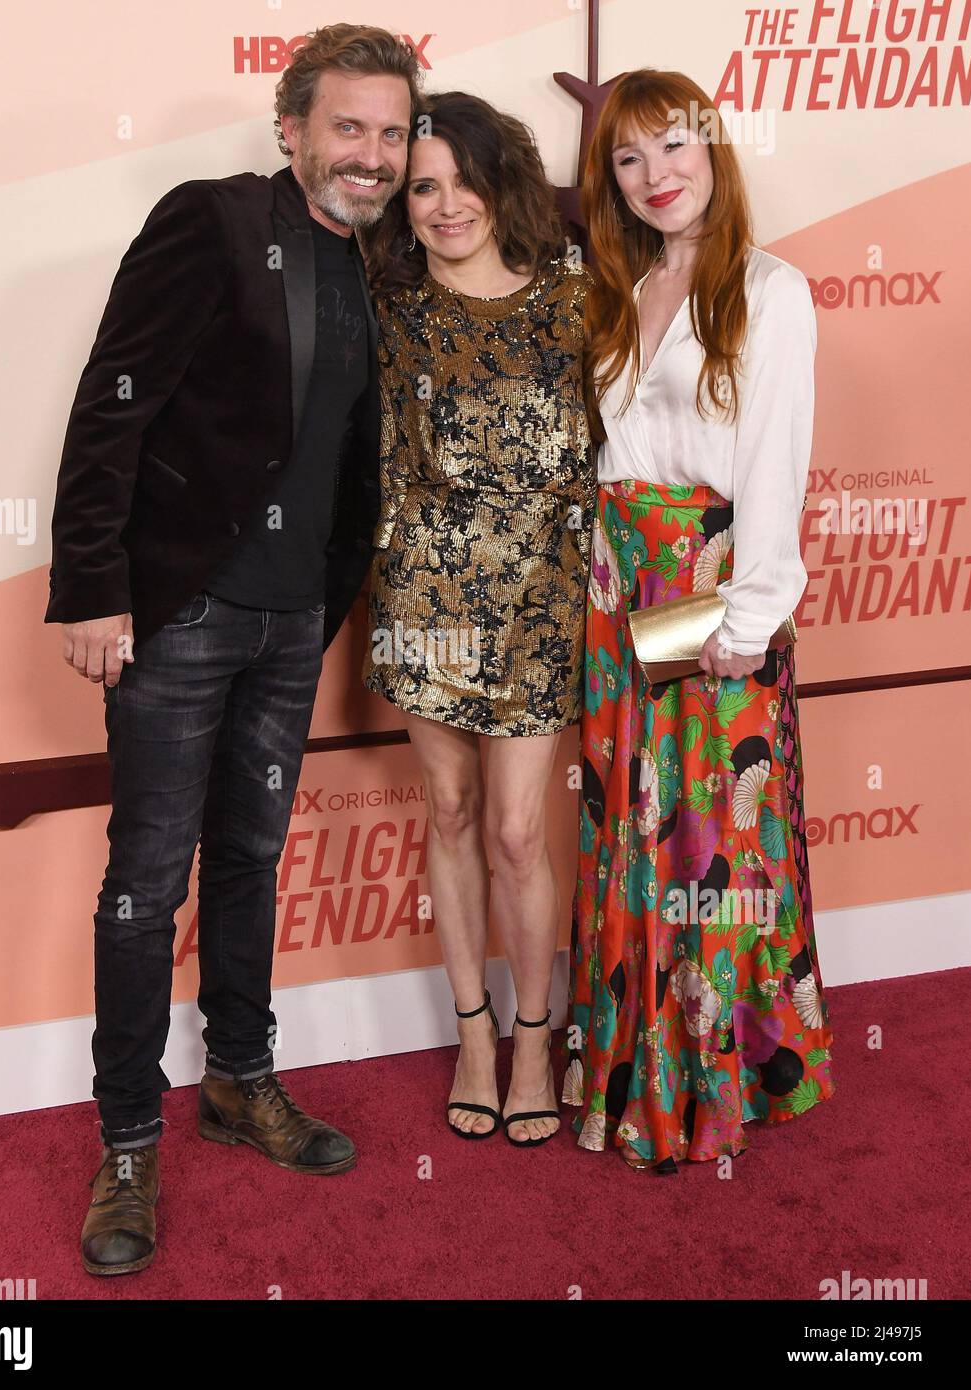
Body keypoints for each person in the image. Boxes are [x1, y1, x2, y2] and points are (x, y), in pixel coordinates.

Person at [44, 24, 420, 1275]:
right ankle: (129, 1138)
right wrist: (90, 589)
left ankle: (240, 1078)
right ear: (294, 129)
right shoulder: (209, 222)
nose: (371, 154)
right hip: (183, 614)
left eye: (392, 130)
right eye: (349, 127)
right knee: (146, 879)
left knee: (253, 854)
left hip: (293, 614)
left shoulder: (385, 261)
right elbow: (114, 399)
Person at [564, 68, 835, 1172]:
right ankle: (633, 1064)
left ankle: (713, 1078)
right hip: (617, 591)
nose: (652, 177)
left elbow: (772, 461)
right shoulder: (616, 288)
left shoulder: (768, 290)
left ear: (713, 149)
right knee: (629, 826)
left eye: (671, 148)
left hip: (710, 592)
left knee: (711, 843)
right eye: (626, 160)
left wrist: (751, 613)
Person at [362, 92, 597, 1146]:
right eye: (423, 186)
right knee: (450, 814)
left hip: (543, 603)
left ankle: (535, 1038)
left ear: (501, 182)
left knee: (514, 829)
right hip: (422, 597)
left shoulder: (579, 298)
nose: (445, 204)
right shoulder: (385, 304)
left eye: (462, 179)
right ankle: (472, 1037)